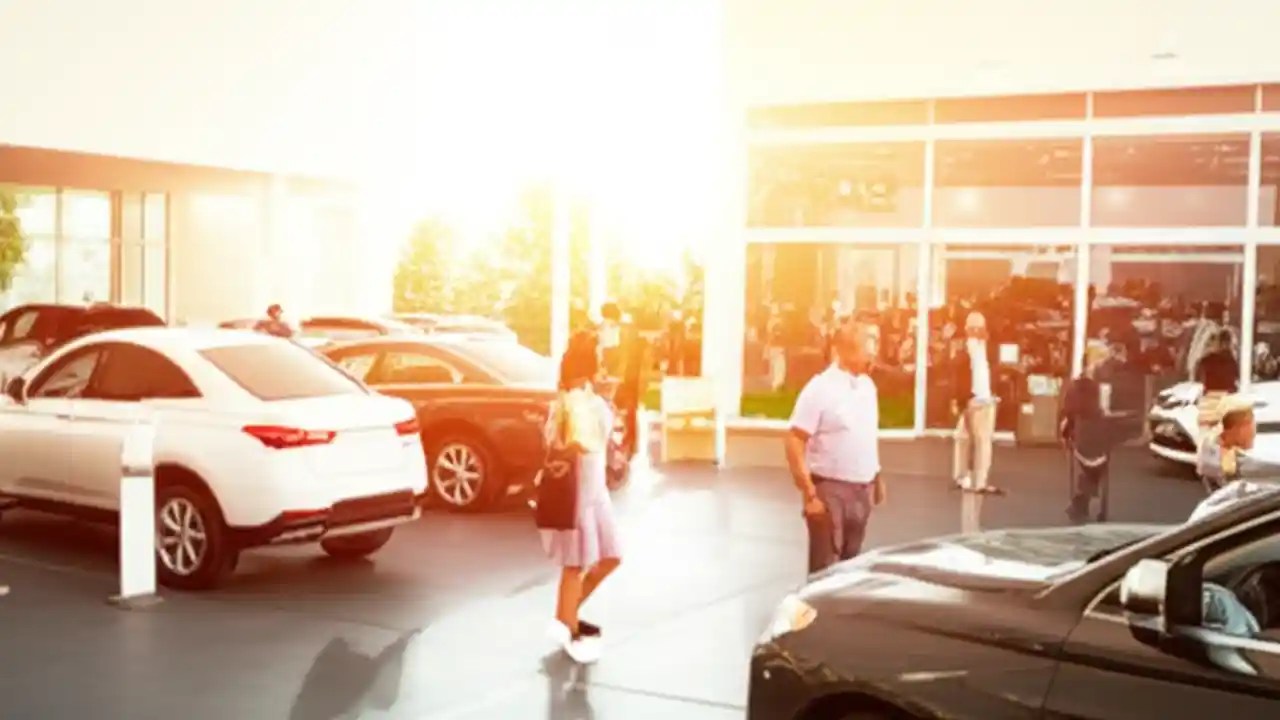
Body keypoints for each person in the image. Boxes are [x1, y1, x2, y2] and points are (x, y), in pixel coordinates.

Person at [542, 331, 622, 664]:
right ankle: (568, 624)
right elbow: (587, 438)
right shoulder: (576, 405)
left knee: (609, 556)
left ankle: (567, 615)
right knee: (575, 564)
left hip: (594, 491)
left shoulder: (576, 403)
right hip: (576, 491)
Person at [785, 319, 886, 574]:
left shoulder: (867, 387)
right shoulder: (819, 389)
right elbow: (794, 439)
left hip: (862, 490)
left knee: (850, 568)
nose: (874, 351)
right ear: (846, 349)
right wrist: (809, 492)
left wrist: (877, 475)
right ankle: (815, 613)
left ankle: (841, 613)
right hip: (829, 491)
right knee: (825, 569)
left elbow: (866, 434)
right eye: (868, 345)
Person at [1193, 395, 1280, 516]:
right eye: (1250, 423)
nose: (1255, 429)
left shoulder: (1212, 448)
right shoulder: (1230, 465)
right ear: (1236, 428)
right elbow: (1261, 469)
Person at [1061, 344, 1113, 524]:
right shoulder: (1085, 386)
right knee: (1094, 468)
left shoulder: (1085, 384)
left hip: (1088, 433)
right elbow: (1078, 410)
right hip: (1087, 434)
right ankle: (1079, 503)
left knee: (1093, 470)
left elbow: (1069, 411)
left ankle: (1080, 502)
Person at [952, 311, 1002, 494]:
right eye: (972, 327)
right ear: (966, 329)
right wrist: (960, 401)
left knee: (983, 442)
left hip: (986, 400)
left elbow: (994, 371)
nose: (976, 331)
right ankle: (961, 476)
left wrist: (995, 394)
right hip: (970, 400)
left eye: (979, 327)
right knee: (962, 437)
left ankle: (979, 481)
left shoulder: (990, 348)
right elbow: (958, 377)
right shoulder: (963, 350)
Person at [1195, 329, 1240, 431]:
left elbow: (1198, 377)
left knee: (1208, 431)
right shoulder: (1232, 360)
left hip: (1210, 398)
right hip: (1226, 398)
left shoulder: (1206, 360)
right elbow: (1236, 378)